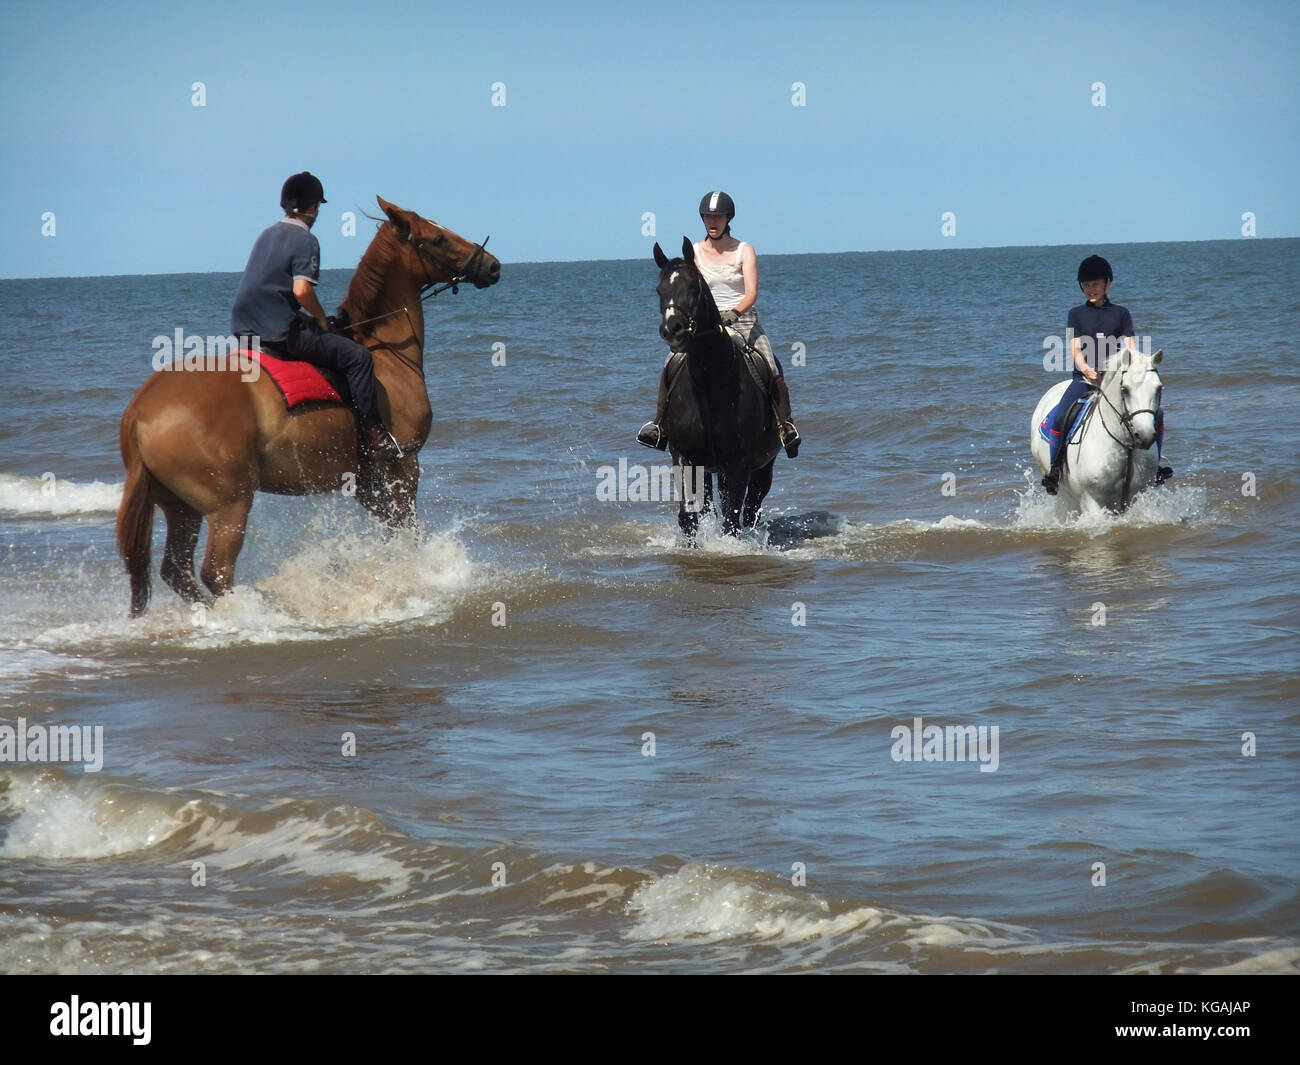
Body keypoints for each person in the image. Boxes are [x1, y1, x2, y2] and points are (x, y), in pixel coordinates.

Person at [231, 172, 400, 460]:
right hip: (278, 332)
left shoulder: (266, 234)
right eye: (317, 207)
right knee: (358, 357)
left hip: (242, 327)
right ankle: (374, 436)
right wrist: (321, 319)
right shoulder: (305, 239)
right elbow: (301, 291)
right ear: (312, 207)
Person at [637, 190, 801, 457]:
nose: (713, 222)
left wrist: (734, 313)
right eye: (708, 217)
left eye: (718, 217)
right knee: (671, 362)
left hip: (742, 319)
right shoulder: (696, 253)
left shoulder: (744, 250)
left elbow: (751, 293)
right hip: (704, 323)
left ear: (728, 219)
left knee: (769, 362)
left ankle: (785, 426)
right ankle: (659, 426)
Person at [1041, 254, 1169, 494]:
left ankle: (1157, 466)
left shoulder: (1121, 313)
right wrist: (1086, 369)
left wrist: (1135, 370)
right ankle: (1055, 469)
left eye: (1096, 284)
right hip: (1085, 380)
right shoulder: (1076, 314)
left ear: (1108, 284)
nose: (1091, 289)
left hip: (1114, 382)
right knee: (1060, 418)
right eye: (1086, 285)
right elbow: (1076, 349)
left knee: (1156, 414)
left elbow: (1130, 347)